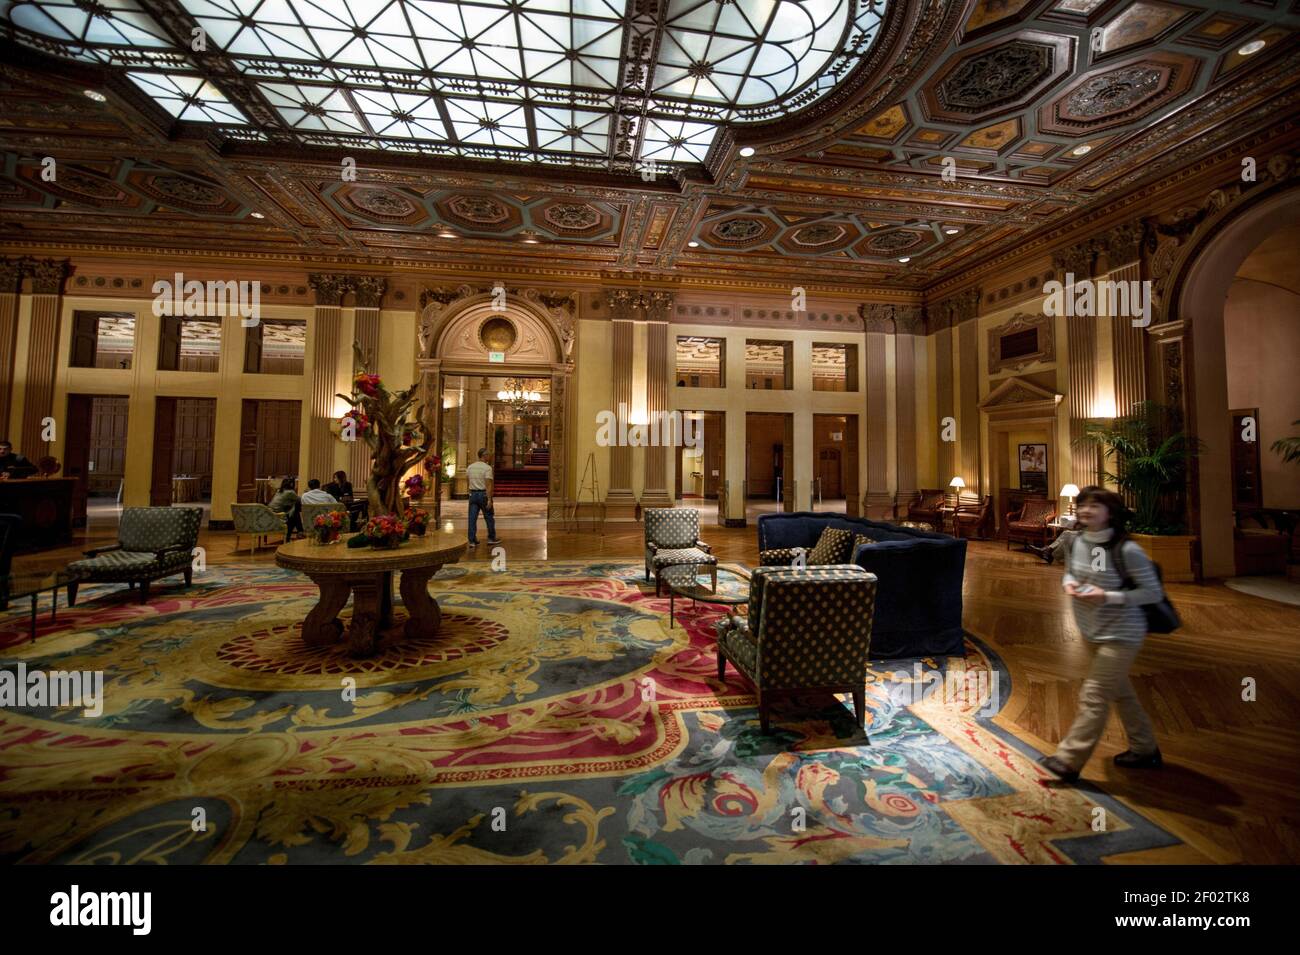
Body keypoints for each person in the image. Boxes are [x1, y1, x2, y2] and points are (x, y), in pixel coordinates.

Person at [1039, 486, 1165, 783]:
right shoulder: (1078, 540)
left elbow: (1152, 592)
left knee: (1094, 694)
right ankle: (1145, 748)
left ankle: (1068, 760)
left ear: (1111, 512)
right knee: (1121, 692)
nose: (1086, 510)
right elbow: (1071, 572)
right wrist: (1069, 584)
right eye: (1083, 505)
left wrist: (1108, 596)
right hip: (1091, 630)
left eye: (1095, 505)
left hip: (1122, 634)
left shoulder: (1128, 550)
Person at [465, 447, 501, 547]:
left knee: (472, 518)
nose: (489, 457)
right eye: (488, 455)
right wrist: (489, 499)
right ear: (484, 456)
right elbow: (488, 485)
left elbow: (468, 480)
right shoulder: (487, 468)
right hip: (483, 495)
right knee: (489, 516)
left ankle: (472, 541)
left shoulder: (470, 467)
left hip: (473, 494)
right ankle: (491, 538)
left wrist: (470, 492)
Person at [268, 477, 302, 542]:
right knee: (295, 513)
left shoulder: (279, 491)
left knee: (294, 513)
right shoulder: (290, 492)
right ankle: (297, 532)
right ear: (292, 484)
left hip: (271, 514)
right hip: (279, 515)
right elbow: (299, 500)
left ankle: (299, 531)